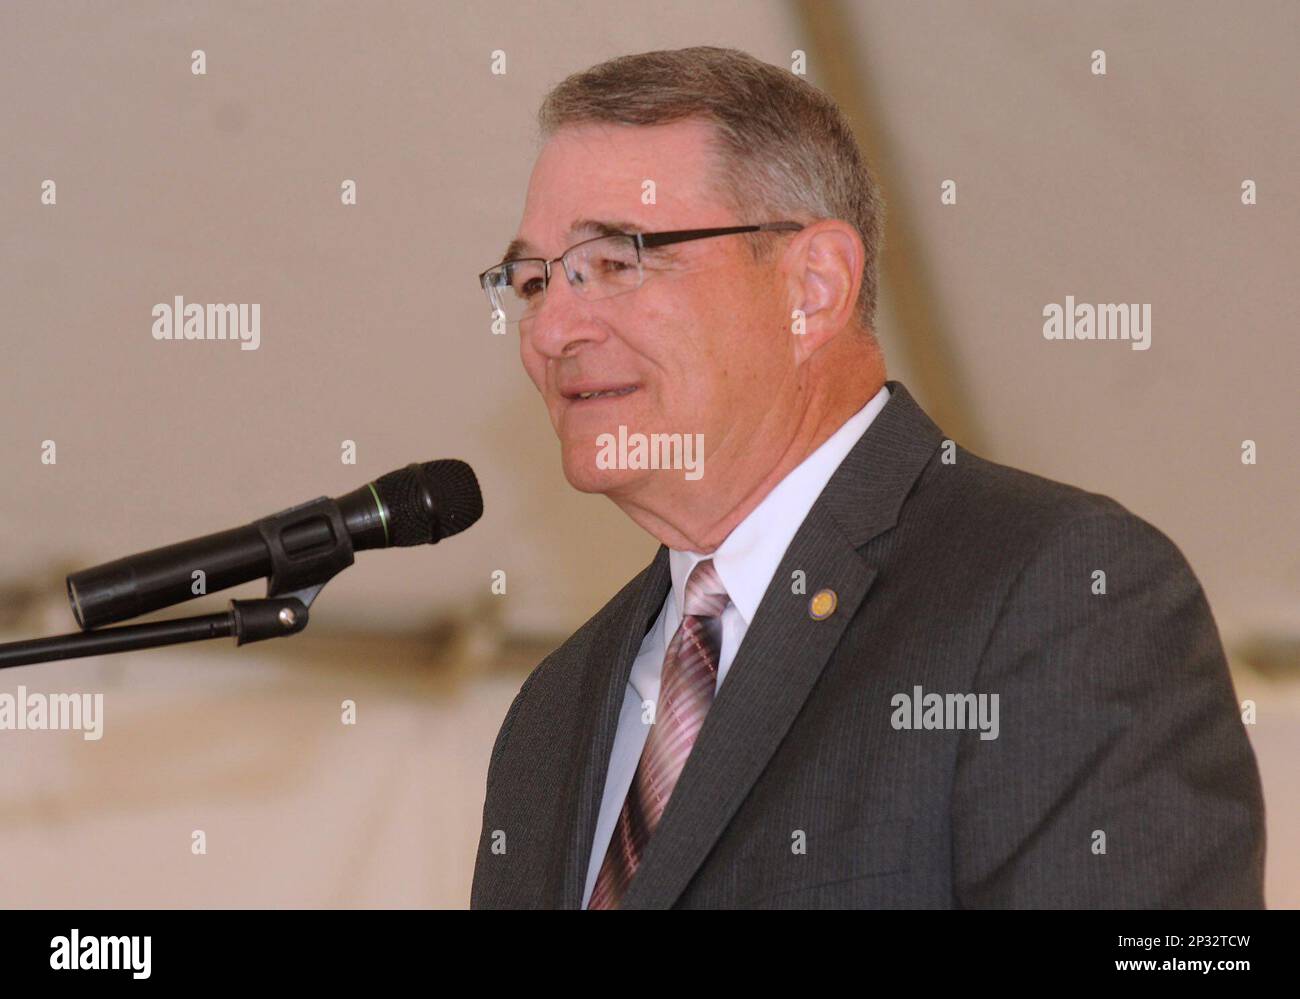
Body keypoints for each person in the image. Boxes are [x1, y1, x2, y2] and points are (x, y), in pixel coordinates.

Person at [470, 46, 1265, 908]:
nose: (551, 329)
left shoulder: (1061, 597)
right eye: (531, 282)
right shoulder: (555, 711)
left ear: (813, 287)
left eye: (615, 262)